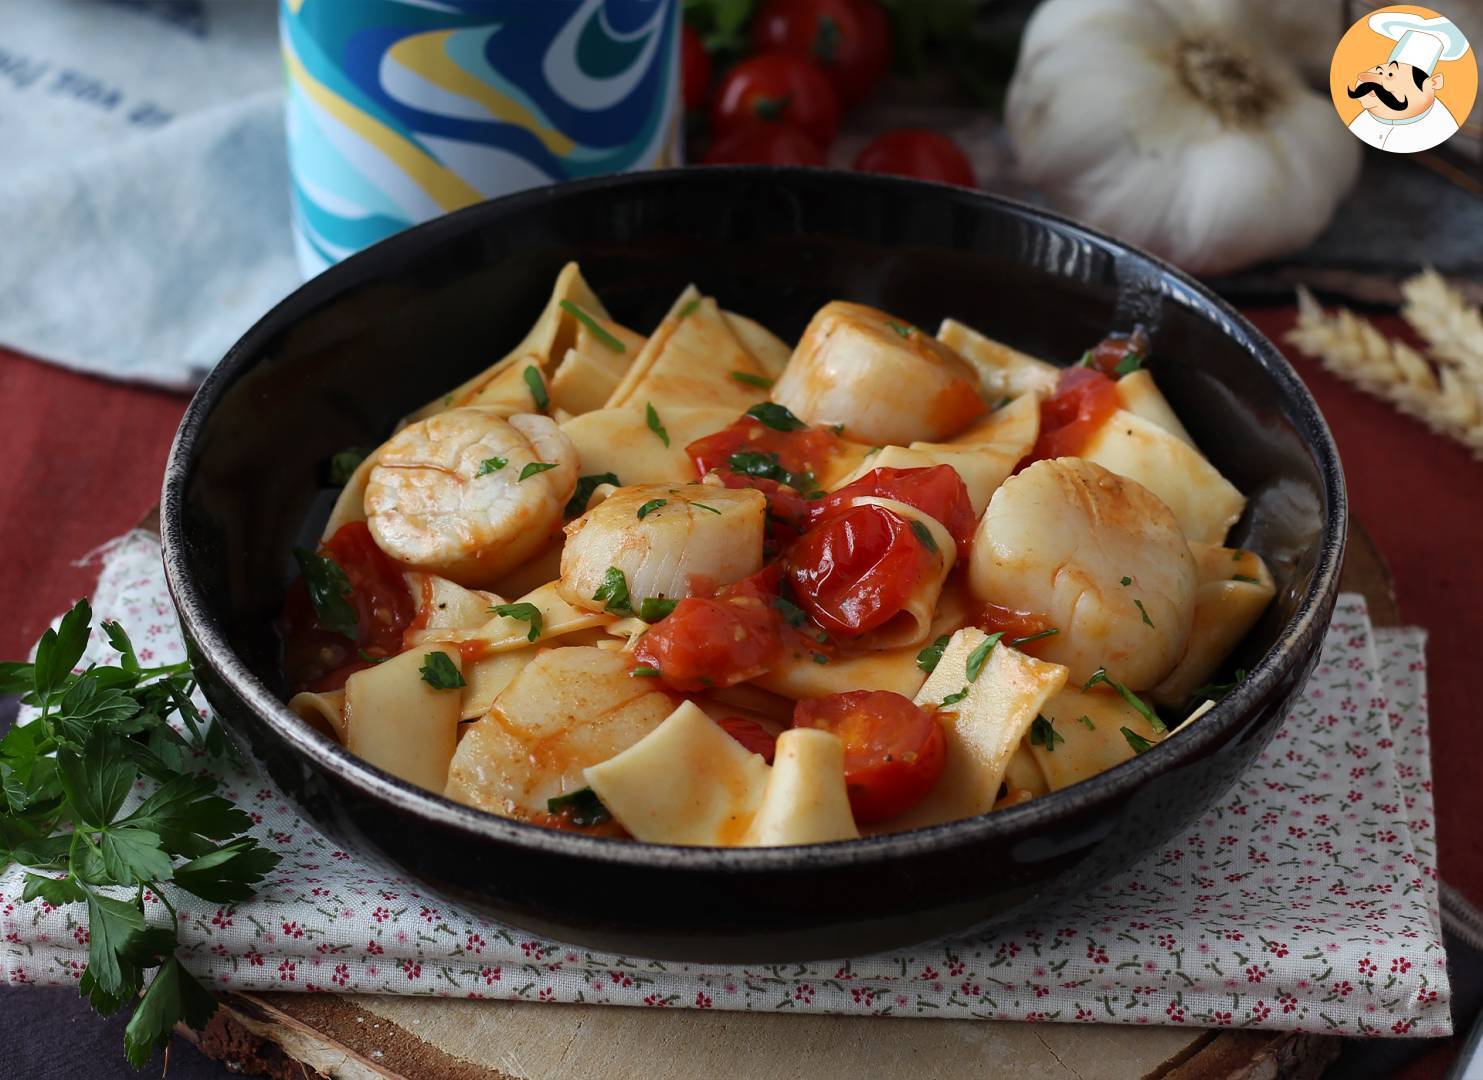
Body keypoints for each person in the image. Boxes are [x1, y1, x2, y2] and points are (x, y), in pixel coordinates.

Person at [1347, 11, 1470, 154]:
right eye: (1380, 71)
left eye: (1391, 76)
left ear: (1433, 83)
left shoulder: (1443, 123)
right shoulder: (1362, 116)